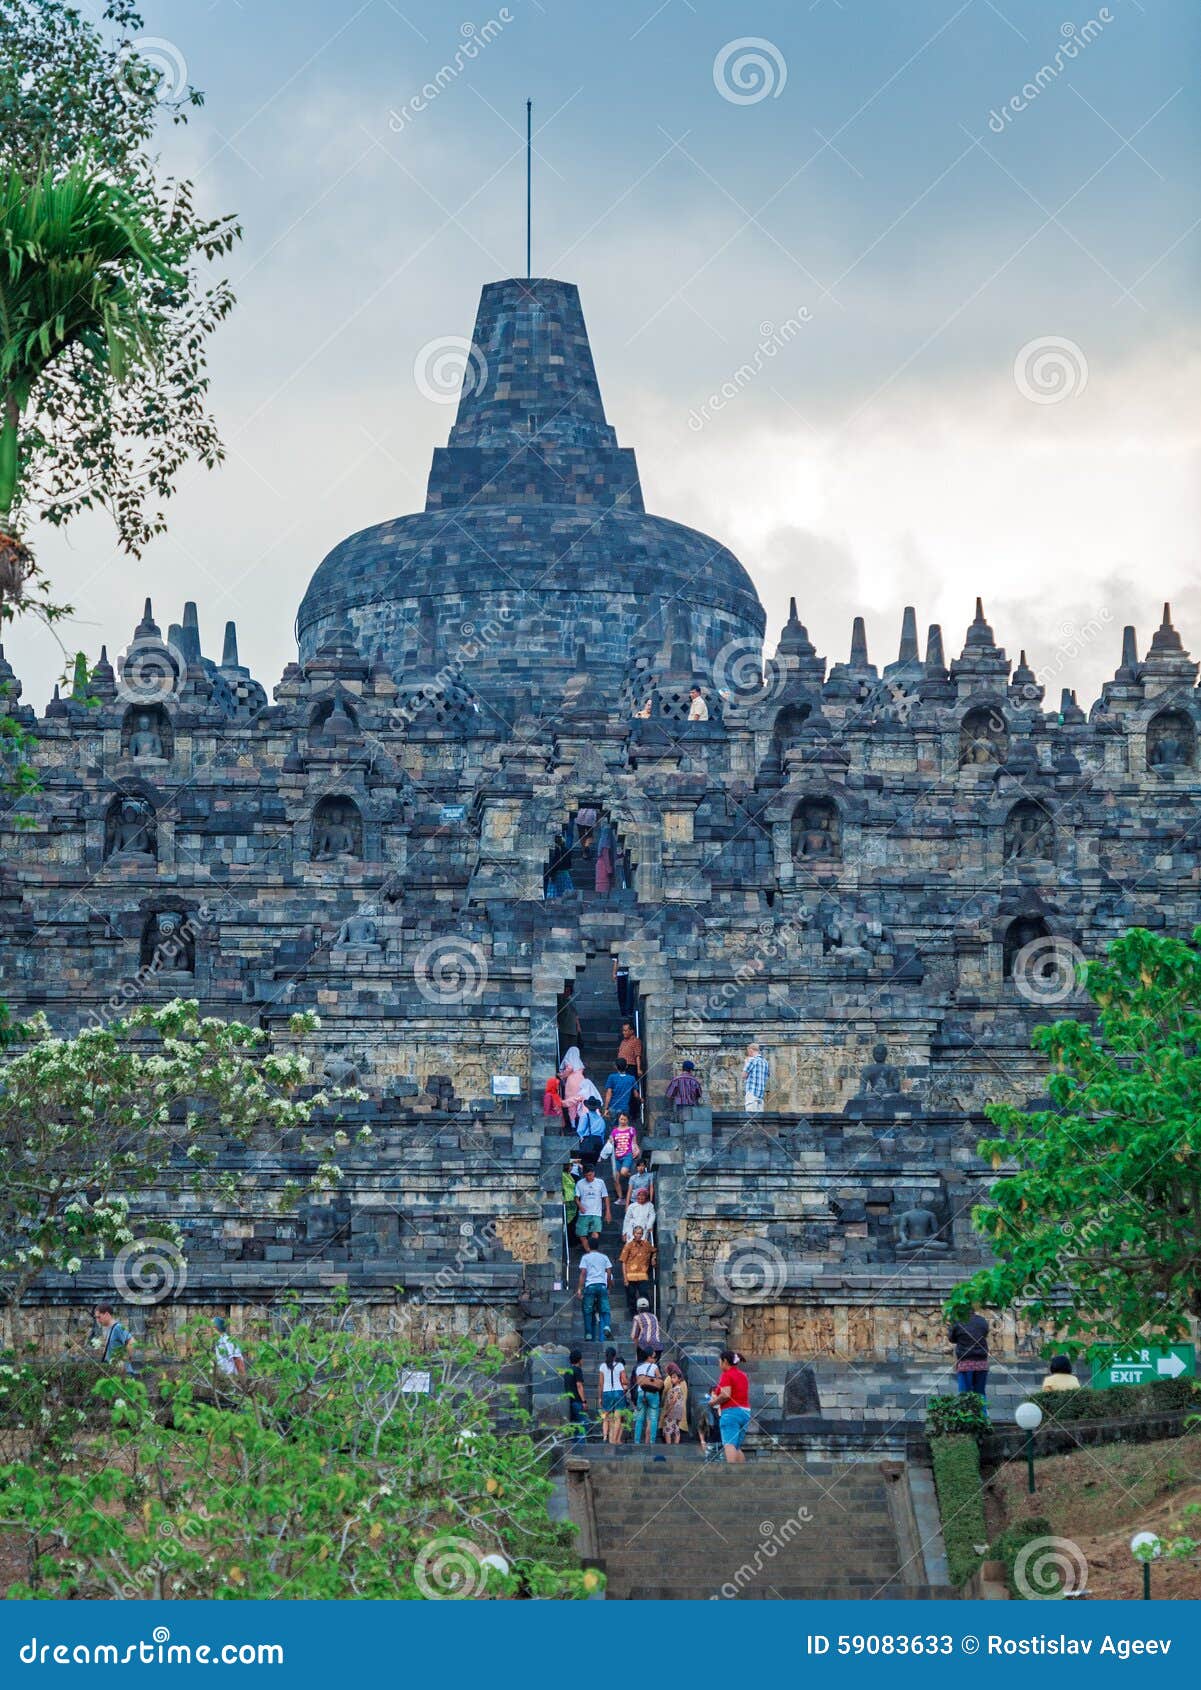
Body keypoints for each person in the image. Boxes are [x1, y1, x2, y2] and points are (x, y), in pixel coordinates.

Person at [711, 1348, 750, 1464]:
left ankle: (731, 1474)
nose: (719, 1365)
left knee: (729, 1444)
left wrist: (714, 1402)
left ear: (725, 1361)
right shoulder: (743, 1375)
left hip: (731, 1412)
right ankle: (742, 1474)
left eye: (719, 1362)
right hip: (745, 1412)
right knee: (736, 1447)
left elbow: (726, 1394)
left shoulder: (726, 1375)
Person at [948, 1309, 990, 1403]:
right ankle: (982, 1416)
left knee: (964, 1395)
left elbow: (951, 1338)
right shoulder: (982, 1321)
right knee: (980, 1394)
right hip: (981, 1364)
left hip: (965, 1363)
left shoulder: (957, 1322)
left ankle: (967, 1415)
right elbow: (985, 1333)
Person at [600, 1111, 640, 1204]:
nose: (622, 1121)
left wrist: (637, 1149)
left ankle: (633, 1178)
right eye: (621, 1119)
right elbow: (610, 1142)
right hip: (617, 1156)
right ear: (618, 1119)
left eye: (625, 1119)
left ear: (628, 1120)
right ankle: (620, 1197)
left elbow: (634, 1142)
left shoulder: (631, 1129)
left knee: (623, 1172)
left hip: (627, 1154)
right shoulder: (615, 1131)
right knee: (615, 1177)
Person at [577, 1243, 613, 1341]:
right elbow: (609, 1273)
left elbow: (583, 1273)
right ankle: (606, 1325)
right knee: (605, 1309)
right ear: (598, 1247)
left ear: (589, 1247)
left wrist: (580, 1288)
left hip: (590, 1286)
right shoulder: (604, 1257)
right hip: (602, 1285)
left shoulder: (586, 1257)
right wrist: (608, 1286)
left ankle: (588, 1333)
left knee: (588, 1310)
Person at [619, 1224, 656, 1316]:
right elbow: (623, 1262)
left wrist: (653, 1258)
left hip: (642, 1275)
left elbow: (654, 1250)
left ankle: (647, 1314)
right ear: (633, 1234)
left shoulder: (646, 1244)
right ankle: (634, 1316)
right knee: (631, 1297)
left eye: (640, 1233)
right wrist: (625, 1279)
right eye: (637, 1233)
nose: (638, 1235)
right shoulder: (628, 1245)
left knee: (644, 1295)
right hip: (630, 1276)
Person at [92, 1305, 138, 1375]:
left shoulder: (118, 1327)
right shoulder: (109, 1328)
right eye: (96, 1318)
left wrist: (125, 1361)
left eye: (99, 1317)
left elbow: (132, 1342)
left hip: (124, 1375)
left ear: (107, 1314)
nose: (97, 1320)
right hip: (114, 1373)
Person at [574, 1164, 611, 1244]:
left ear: (594, 1173)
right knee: (582, 1235)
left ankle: (593, 1251)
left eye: (590, 1175)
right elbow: (576, 1198)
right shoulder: (580, 1183)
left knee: (595, 1233)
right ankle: (589, 1252)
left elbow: (605, 1197)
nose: (588, 1177)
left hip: (596, 1213)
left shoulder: (600, 1182)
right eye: (586, 1175)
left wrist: (608, 1212)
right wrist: (580, 1206)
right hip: (584, 1213)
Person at [599, 1348, 629, 1444]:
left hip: (606, 1393)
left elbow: (601, 1383)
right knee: (618, 1418)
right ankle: (616, 1440)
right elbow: (624, 1380)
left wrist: (600, 1397)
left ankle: (609, 1438)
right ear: (615, 1356)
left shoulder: (602, 1366)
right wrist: (626, 1382)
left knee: (607, 1417)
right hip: (618, 1392)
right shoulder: (620, 1365)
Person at [633, 1353, 663, 1444]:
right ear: (649, 1357)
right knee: (653, 1419)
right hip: (652, 1393)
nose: (655, 1359)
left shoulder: (638, 1368)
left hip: (641, 1393)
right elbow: (660, 1380)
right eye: (654, 1357)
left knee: (639, 1419)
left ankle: (637, 1441)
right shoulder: (654, 1366)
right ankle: (652, 1441)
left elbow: (637, 1382)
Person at [563, 1346, 589, 1444]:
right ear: (579, 1360)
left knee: (574, 1425)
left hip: (569, 1402)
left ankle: (575, 1447)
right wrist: (584, 1401)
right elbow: (579, 1386)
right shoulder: (577, 1370)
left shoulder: (567, 1371)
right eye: (582, 1359)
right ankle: (581, 1447)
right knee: (583, 1424)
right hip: (577, 1402)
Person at [603, 1057, 640, 1123]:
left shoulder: (612, 1077)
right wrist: (641, 1099)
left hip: (613, 1107)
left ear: (616, 1067)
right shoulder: (631, 1078)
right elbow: (636, 1095)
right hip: (625, 1108)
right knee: (623, 1129)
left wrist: (606, 1108)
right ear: (626, 1066)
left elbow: (609, 1094)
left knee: (613, 1129)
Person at [575, 1099, 608, 1167]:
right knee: (592, 1165)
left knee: (584, 1164)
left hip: (588, 1141)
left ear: (588, 1106)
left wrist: (582, 1138)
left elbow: (580, 1130)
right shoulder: (601, 1119)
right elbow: (602, 1134)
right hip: (598, 1142)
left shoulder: (585, 1116)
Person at [661, 1362, 688, 1444]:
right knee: (676, 1428)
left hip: (672, 1410)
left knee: (667, 1428)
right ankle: (676, 1444)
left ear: (678, 1379)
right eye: (671, 1377)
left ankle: (669, 1445)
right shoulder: (683, 1383)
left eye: (673, 1377)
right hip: (679, 1411)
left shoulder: (675, 1387)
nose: (671, 1379)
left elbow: (674, 1400)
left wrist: (667, 1411)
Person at [559, 1045, 586, 1126]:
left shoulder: (568, 1061)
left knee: (571, 1102)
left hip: (571, 1083)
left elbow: (568, 1070)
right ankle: (581, 1123)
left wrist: (561, 1075)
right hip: (581, 1082)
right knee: (580, 1102)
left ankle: (573, 1124)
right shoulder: (579, 1062)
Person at [631, 1298, 663, 1362]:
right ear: (648, 1307)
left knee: (641, 1367)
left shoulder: (637, 1317)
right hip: (657, 1346)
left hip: (644, 1347)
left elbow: (634, 1336)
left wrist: (638, 1347)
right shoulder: (654, 1317)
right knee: (655, 1366)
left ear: (638, 1308)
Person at [743, 1042, 769, 1114]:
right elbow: (767, 1076)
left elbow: (744, 1076)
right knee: (759, 1118)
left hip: (752, 1092)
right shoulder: (765, 1062)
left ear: (751, 1050)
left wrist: (746, 1062)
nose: (748, 1053)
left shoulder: (752, 1061)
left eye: (748, 1051)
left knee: (750, 1116)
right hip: (760, 1094)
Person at [561, 1160, 579, 1231]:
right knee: (567, 1219)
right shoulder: (562, 1174)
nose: (571, 1167)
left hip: (572, 1198)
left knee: (572, 1219)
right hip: (567, 1199)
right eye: (570, 1165)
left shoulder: (570, 1175)